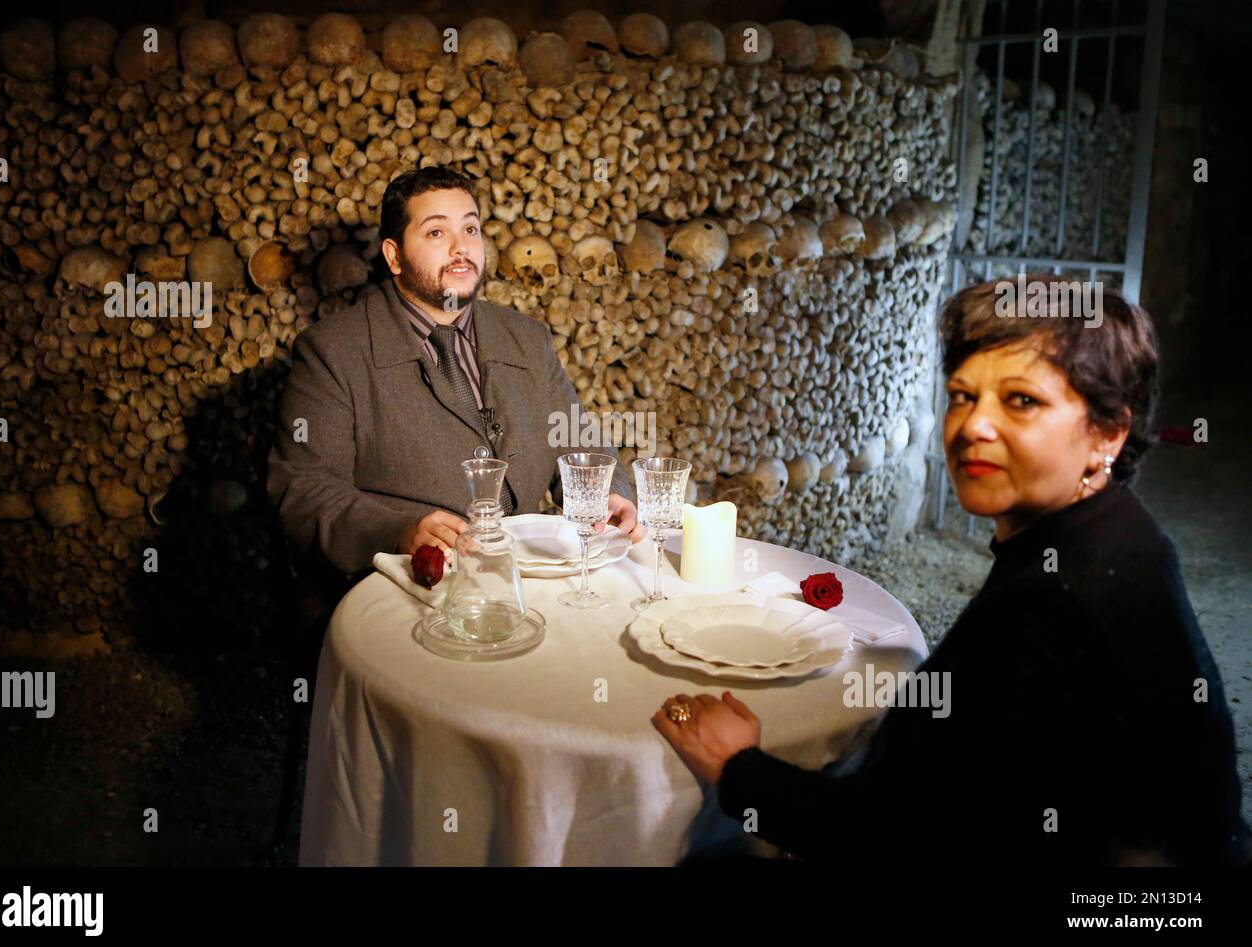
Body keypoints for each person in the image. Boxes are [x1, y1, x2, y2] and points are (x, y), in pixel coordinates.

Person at [653, 276, 1250, 865]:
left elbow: (898, 835)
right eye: (964, 396)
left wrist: (739, 768)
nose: (972, 427)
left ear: (1108, 433)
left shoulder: (1059, 598)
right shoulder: (1119, 533)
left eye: (1021, 400)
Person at [267, 166, 644, 583]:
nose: (460, 249)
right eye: (436, 233)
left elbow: (576, 441)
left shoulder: (527, 339)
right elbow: (303, 491)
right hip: (412, 588)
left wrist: (610, 494)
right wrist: (396, 532)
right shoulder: (332, 352)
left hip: (530, 581)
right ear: (393, 256)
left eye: (470, 230)